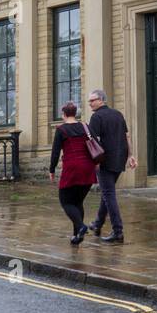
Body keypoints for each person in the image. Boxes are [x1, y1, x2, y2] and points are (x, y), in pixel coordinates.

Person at [86, 88, 137, 243]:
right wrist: (130, 155)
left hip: (104, 161)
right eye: (89, 101)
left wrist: (92, 162)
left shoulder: (96, 117)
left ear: (102, 100)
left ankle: (118, 231)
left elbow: (92, 143)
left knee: (109, 194)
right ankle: (97, 224)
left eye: (92, 100)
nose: (90, 104)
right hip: (119, 159)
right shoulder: (118, 114)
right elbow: (126, 137)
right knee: (107, 192)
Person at [49, 101, 96, 246]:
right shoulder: (85, 126)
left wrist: (52, 170)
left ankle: (81, 227)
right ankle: (77, 236)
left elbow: (55, 152)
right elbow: (94, 142)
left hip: (72, 168)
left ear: (63, 114)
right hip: (88, 167)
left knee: (66, 201)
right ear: (75, 113)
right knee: (78, 202)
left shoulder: (61, 130)